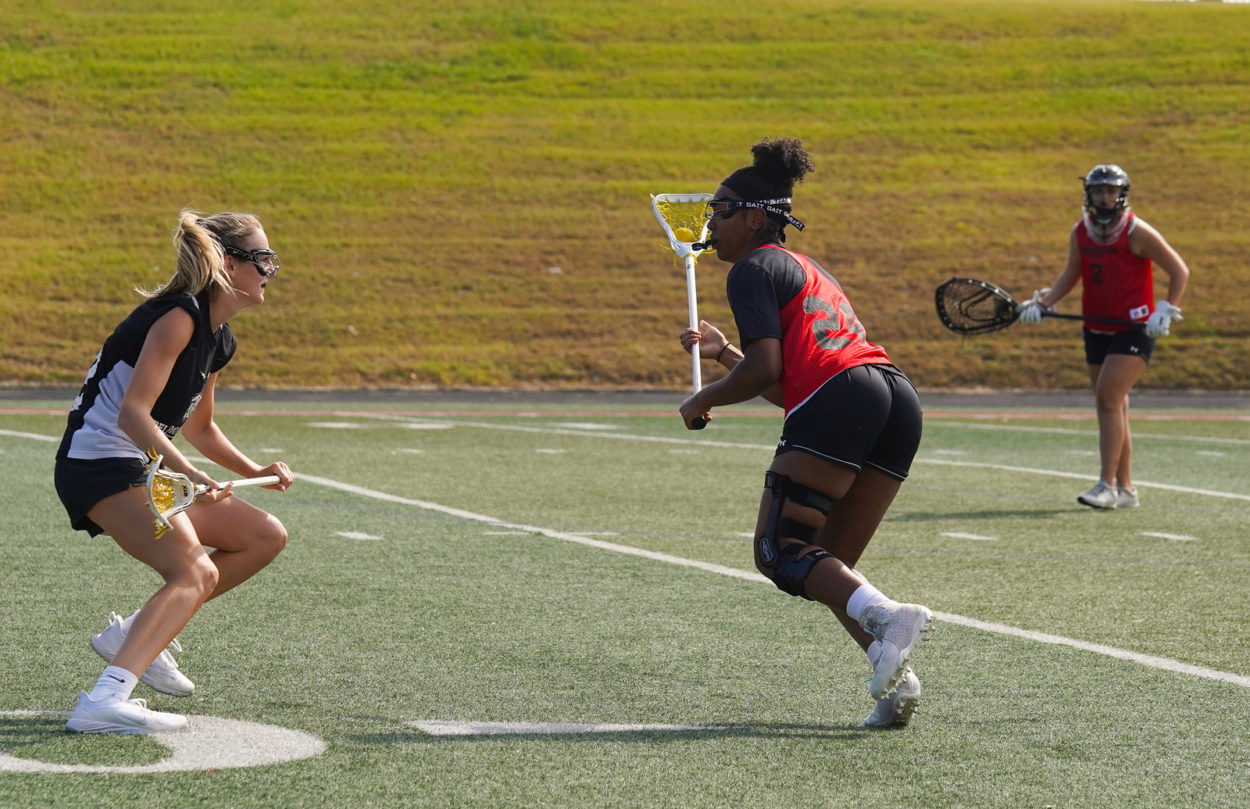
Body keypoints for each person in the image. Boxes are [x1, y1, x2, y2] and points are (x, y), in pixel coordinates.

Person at [678, 138, 933, 729]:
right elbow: (796, 385)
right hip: (893, 396)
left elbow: (768, 371)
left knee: (780, 550)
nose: (712, 223)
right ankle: (892, 671)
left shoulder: (751, 270)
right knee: (828, 563)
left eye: (721, 209)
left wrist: (702, 399)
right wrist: (723, 360)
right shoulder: (805, 269)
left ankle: (892, 622)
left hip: (846, 393)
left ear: (756, 216)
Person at [53, 209, 294, 734]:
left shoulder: (219, 337)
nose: (270, 270)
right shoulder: (178, 317)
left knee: (263, 536)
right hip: (97, 465)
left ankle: (134, 633)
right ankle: (105, 699)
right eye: (262, 260)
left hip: (133, 462)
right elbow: (133, 413)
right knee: (195, 572)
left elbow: (201, 427)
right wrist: (191, 474)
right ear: (228, 265)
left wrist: (255, 468)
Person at [1017, 164, 1189, 510]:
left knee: (1108, 398)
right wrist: (1043, 303)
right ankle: (1126, 489)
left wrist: (1166, 308)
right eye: (1099, 191)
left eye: (1111, 190)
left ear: (1122, 194)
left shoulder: (1136, 232)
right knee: (1115, 404)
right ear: (1089, 194)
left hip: (1134, 328)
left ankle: (1105, 485)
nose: (1105, 196)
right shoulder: (1081, 231)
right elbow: (1071, 274)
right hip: (1095, 328)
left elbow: (1178, 269)